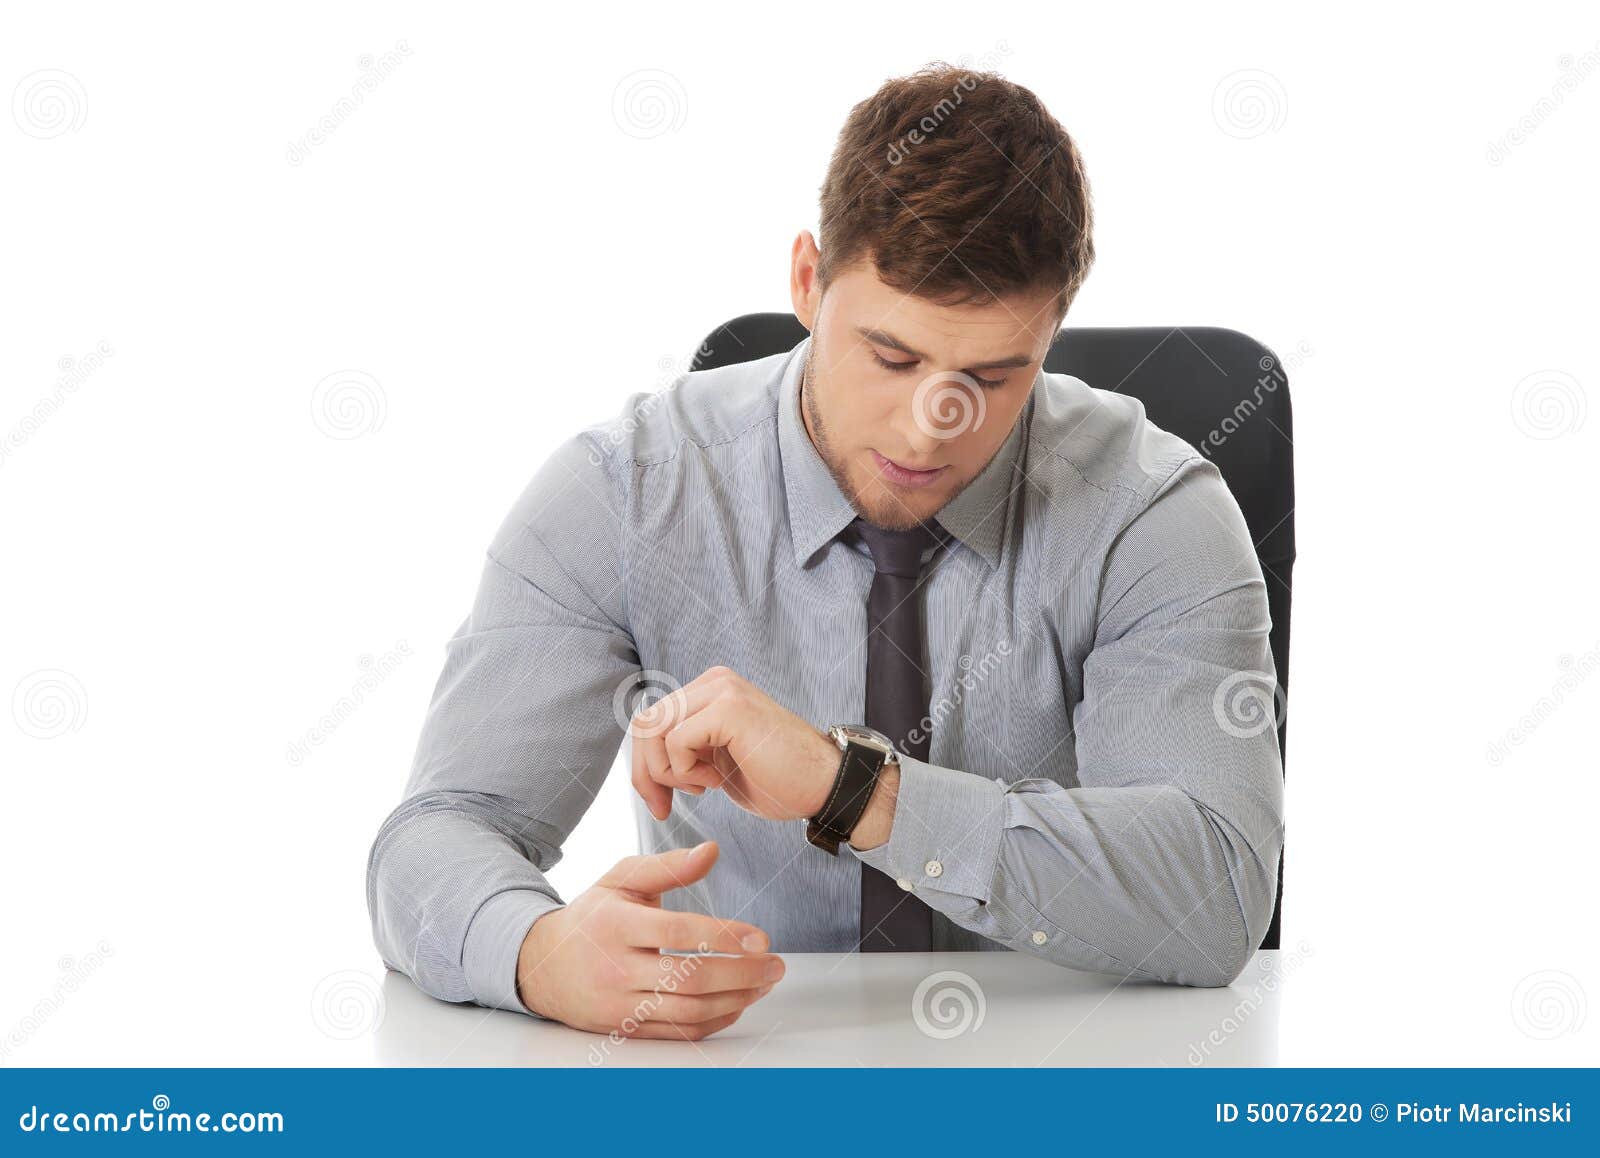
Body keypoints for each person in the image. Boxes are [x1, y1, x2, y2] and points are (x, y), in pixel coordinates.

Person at [366, 63, 1284, 1041]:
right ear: (807, 282)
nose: (931, 428)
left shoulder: (1149, 509)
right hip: (736, 1072)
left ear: (1050, 335)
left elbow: (1216, 898)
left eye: (992, 374)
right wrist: (538, 955)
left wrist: (851, 789)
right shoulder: (626, 489)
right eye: (890, 358)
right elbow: (435, 835)